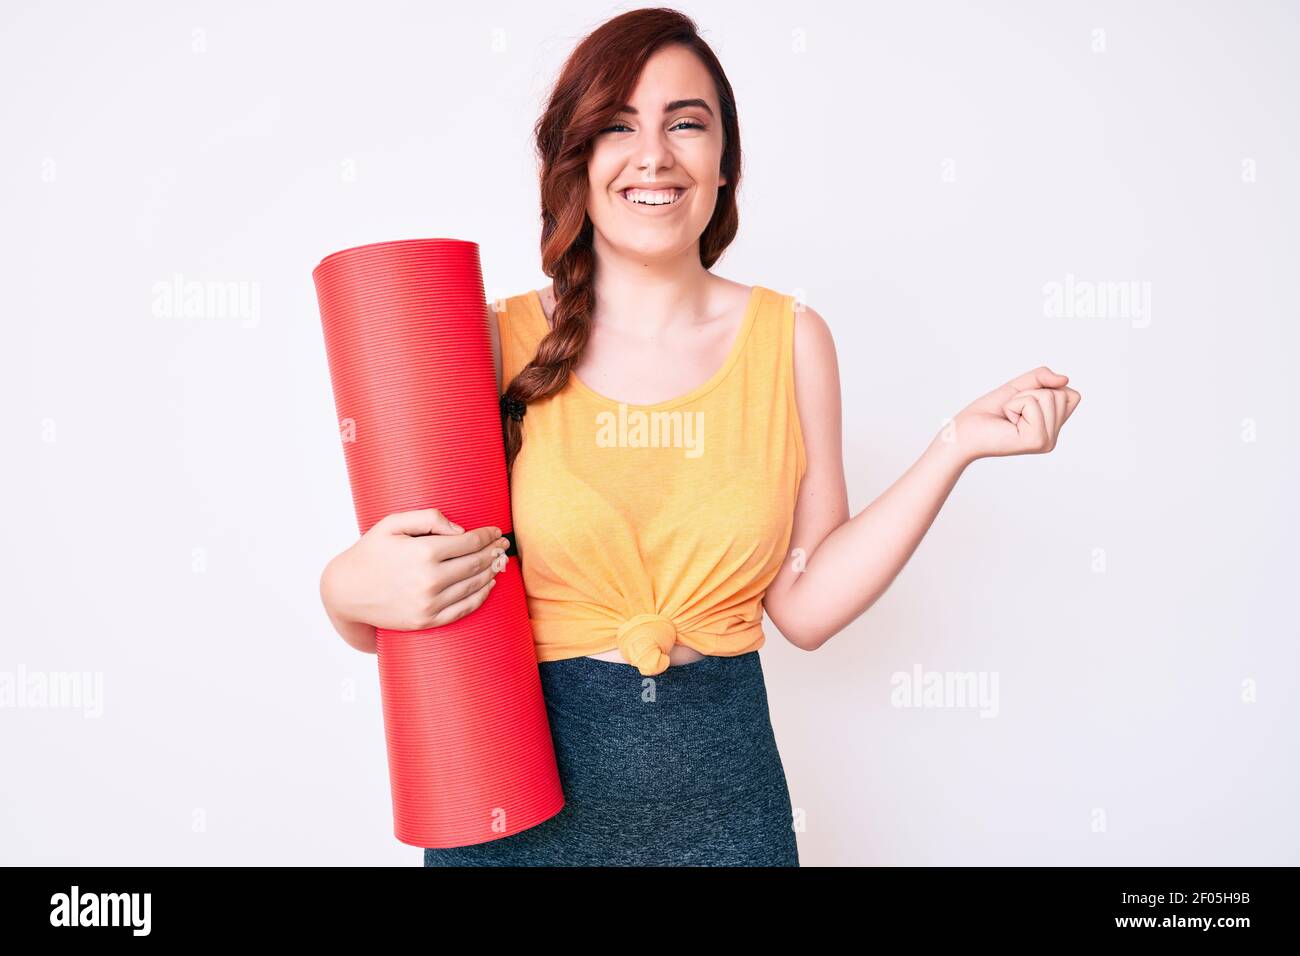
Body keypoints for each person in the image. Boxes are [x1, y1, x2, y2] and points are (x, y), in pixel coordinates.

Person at [319, 8, 1081, 867]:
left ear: (724, 164)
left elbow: (805, 604)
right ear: (577, 161)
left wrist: (955, 445)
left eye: (686, 122)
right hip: (514, 813)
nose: (654, 154)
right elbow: (413, 590)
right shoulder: (488, 341)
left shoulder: (792, 339)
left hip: (728, 815)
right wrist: (343, 590)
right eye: (617, 126)